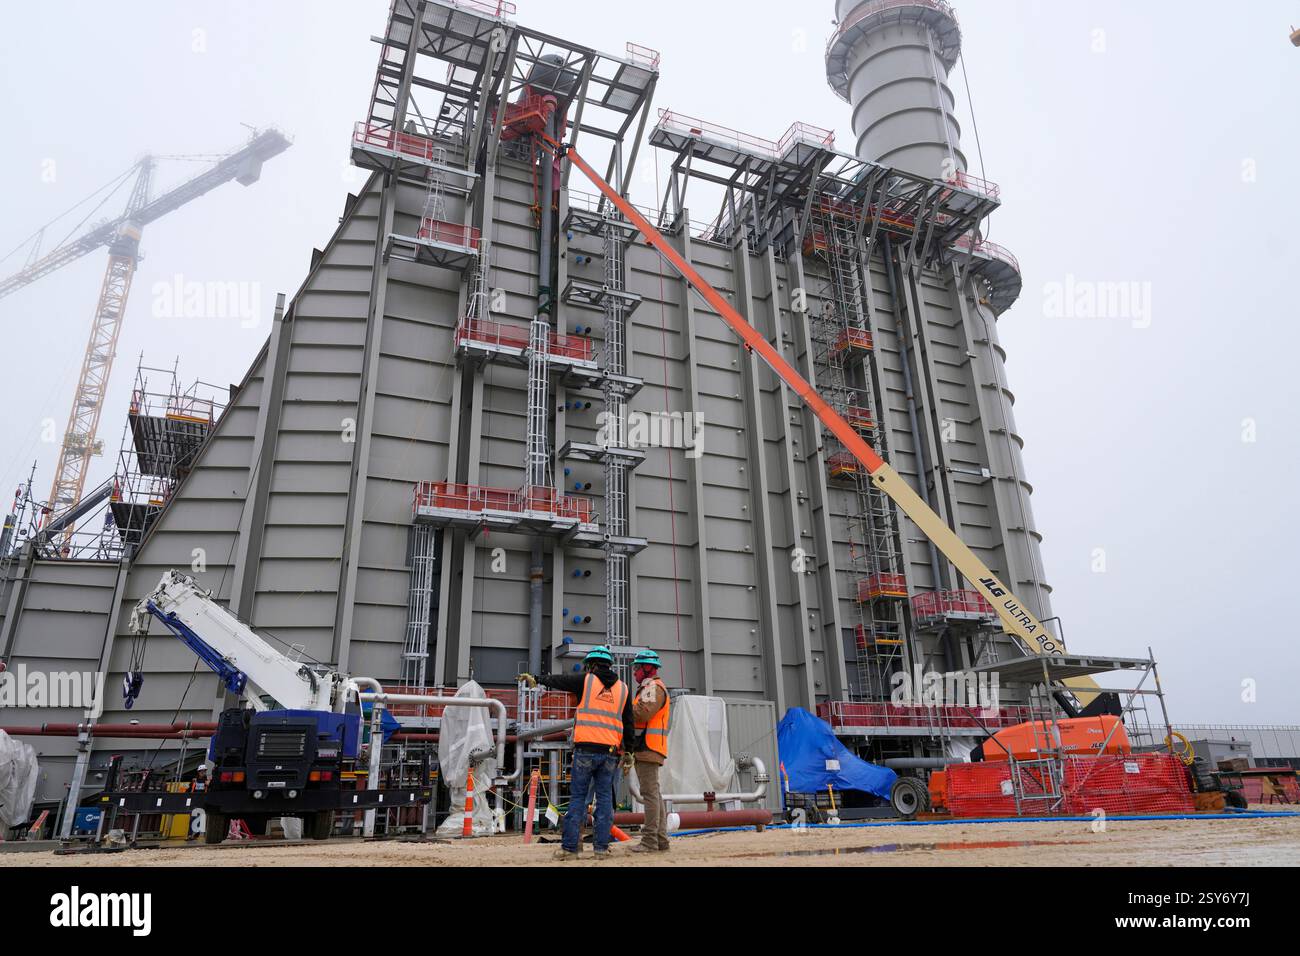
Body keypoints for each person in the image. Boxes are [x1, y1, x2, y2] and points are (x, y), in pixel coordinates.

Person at [518, 645, 634, 860]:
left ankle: (571, 848)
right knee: (606, 800)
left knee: (579, 798)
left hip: (586, 751)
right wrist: (629, 752)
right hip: (610, 753)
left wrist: (537, 678)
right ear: (609, 664)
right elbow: (628, 723)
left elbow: (561, 681)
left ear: (591, 665)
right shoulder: (623, 689)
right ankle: (601, 848)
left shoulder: (587, 680)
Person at [629, 649, 671, 854]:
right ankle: (661, 841)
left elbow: (642, 713)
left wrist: (621, 710)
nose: (635, 672)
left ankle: (649, 841)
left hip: (648, 747)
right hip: (647, 746)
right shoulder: (648, 687)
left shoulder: (652, 687)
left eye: (637, 668)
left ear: (647, 668)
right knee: (654, 793)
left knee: (650, 794)